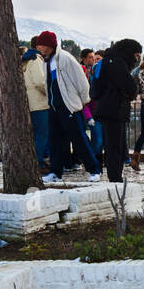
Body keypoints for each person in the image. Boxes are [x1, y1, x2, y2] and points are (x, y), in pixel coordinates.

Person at [37, 30, 102, 182]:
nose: (39, 48)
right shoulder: (46, 61)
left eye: (41, 45)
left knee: (79, 138)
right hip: (54, 107)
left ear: (48, 45)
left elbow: (81, 80)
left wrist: (83, 100)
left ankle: (94, 170)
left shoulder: (65, 58)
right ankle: (56, 172)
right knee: (55, 140)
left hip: (69, 106)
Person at [91, 39, 142, 182]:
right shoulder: (117, 63)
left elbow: (96, 90)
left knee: (114, 145)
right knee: (115, 146)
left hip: (105, 108)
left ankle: (115, 176)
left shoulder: (105, 62)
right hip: (115, 109)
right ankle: (115, 178)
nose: (137, 59)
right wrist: (128, 92)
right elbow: (130, 87)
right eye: (136, 55)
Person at [23, 39, 51, 170]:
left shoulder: (25, 60)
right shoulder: (36, 60)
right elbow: (40, 82)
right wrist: (50, 94)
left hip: (29, 103)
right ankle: (38, 162)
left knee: (35, 134)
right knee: (41, 133)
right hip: (39, 103)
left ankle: (35, 161)